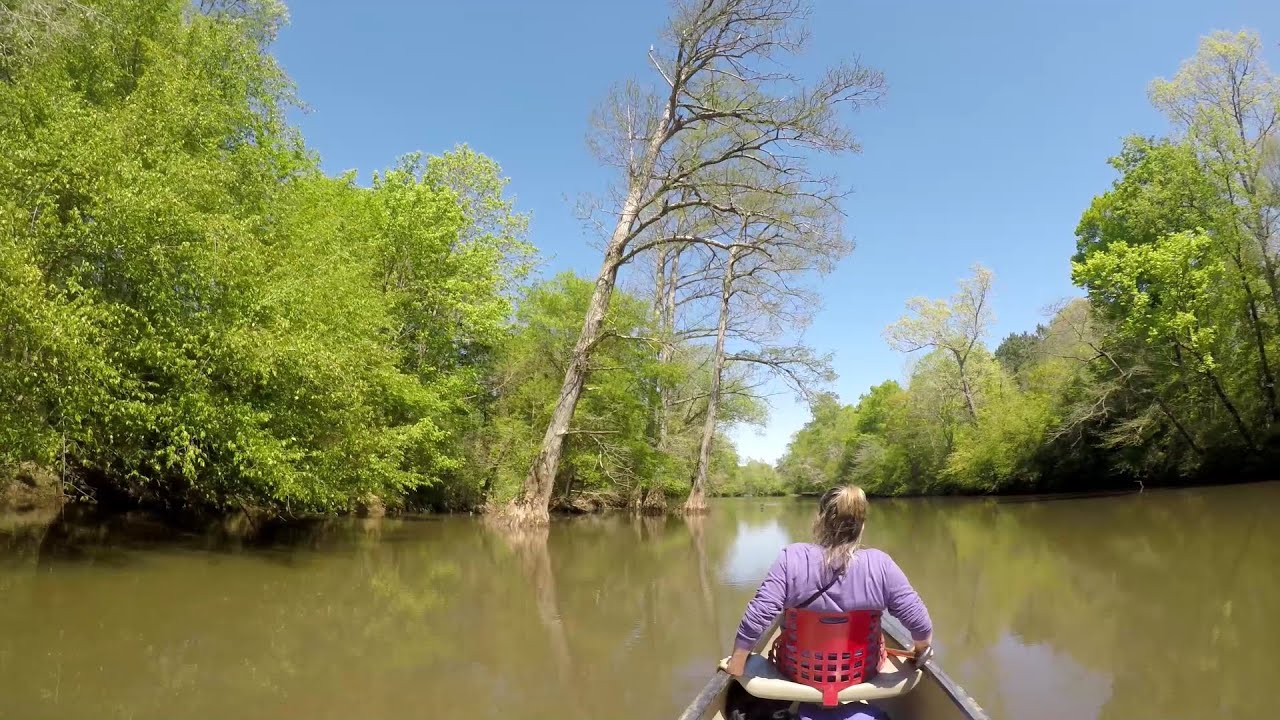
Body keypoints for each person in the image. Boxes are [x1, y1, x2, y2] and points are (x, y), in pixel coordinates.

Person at [725, 485, 933, 720]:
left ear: (820, 520)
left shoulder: (791, 558)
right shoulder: (882, 565)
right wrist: (920, 650)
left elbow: (758, 616)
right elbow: (920, 624)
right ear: (862, 525)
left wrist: (737, 663)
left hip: (796, 671)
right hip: (864, 671)